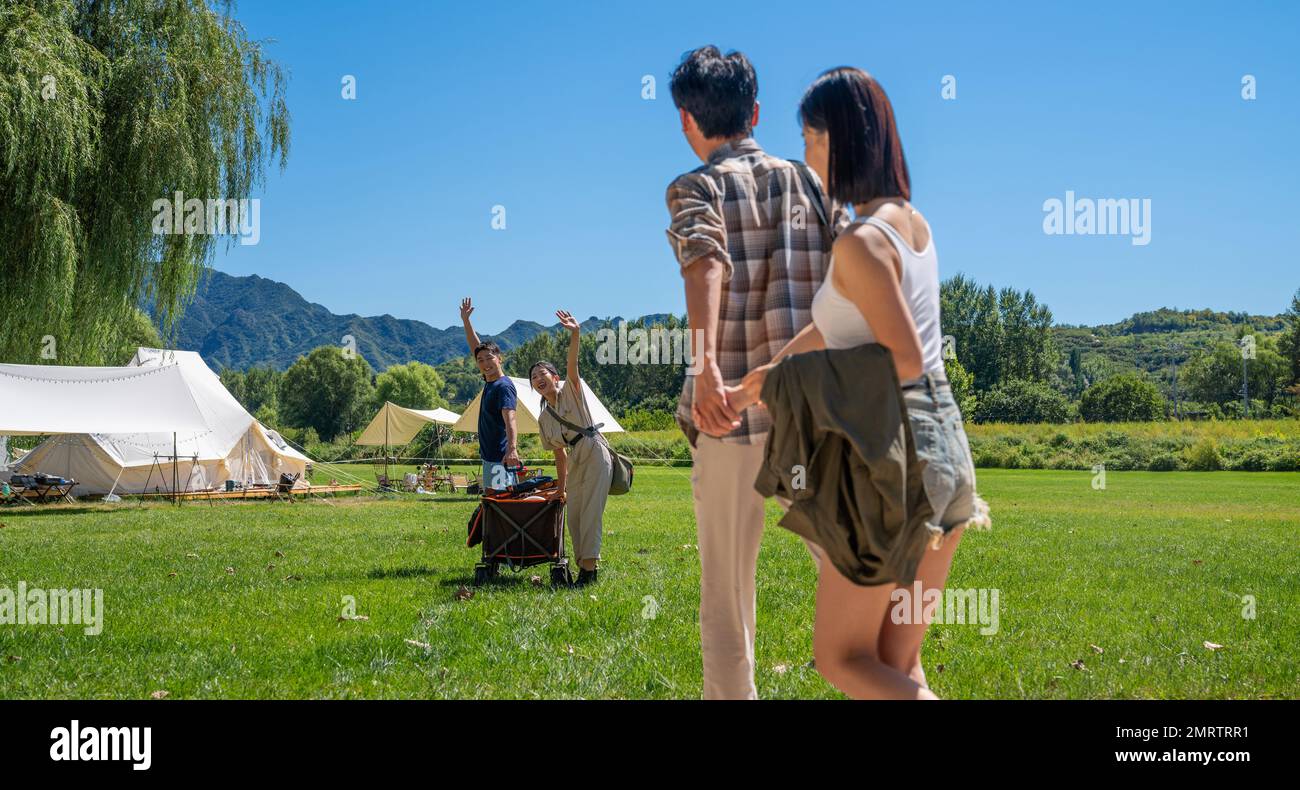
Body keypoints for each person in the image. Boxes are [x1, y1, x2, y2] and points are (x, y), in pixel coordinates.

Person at [728, 67, 987, 699]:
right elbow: (838, 329)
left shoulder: (861, 243)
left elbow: (901, 358)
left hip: (892, 463)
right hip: (945, 453)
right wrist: (762, 379)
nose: (807, 154)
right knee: (894, 664)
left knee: (843, 658)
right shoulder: (910, 226)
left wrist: (796, 389)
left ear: (840, 139)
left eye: (811, 138)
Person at [664, 46, 847, 699]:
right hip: (810, 410)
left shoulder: (695, 188)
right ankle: (892, 679)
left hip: (726, 419)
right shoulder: (815, 185)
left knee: (728, 601)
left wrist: (707, 363)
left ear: (687, 119)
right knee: (851, 567)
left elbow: (704, 257)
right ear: (757, 112)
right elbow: (854, 288)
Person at [532, 310, 613, 587]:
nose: (538, 378)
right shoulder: (543, 418)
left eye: (542, 373)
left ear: (554, 377)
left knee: (590, 512)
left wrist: (575, 333)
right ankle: (583, 568)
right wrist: (560, 488)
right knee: (575, 515)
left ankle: (588, 573)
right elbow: (559, 453)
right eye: (534, 377)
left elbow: (572, 365)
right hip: (576, 459)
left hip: (594, 451)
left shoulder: (571, 391)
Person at [460, 297, 519, 492]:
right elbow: (475, 347)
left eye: (490, 358)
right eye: (480, 360)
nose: (485, 363)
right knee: (495, 505)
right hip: (490, 458)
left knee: (502, 506)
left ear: (500, 359)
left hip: (500, 458)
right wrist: (466, 321)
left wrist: (512, 449)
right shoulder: (490, 381)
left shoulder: (503, 386)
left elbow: (510, 418)